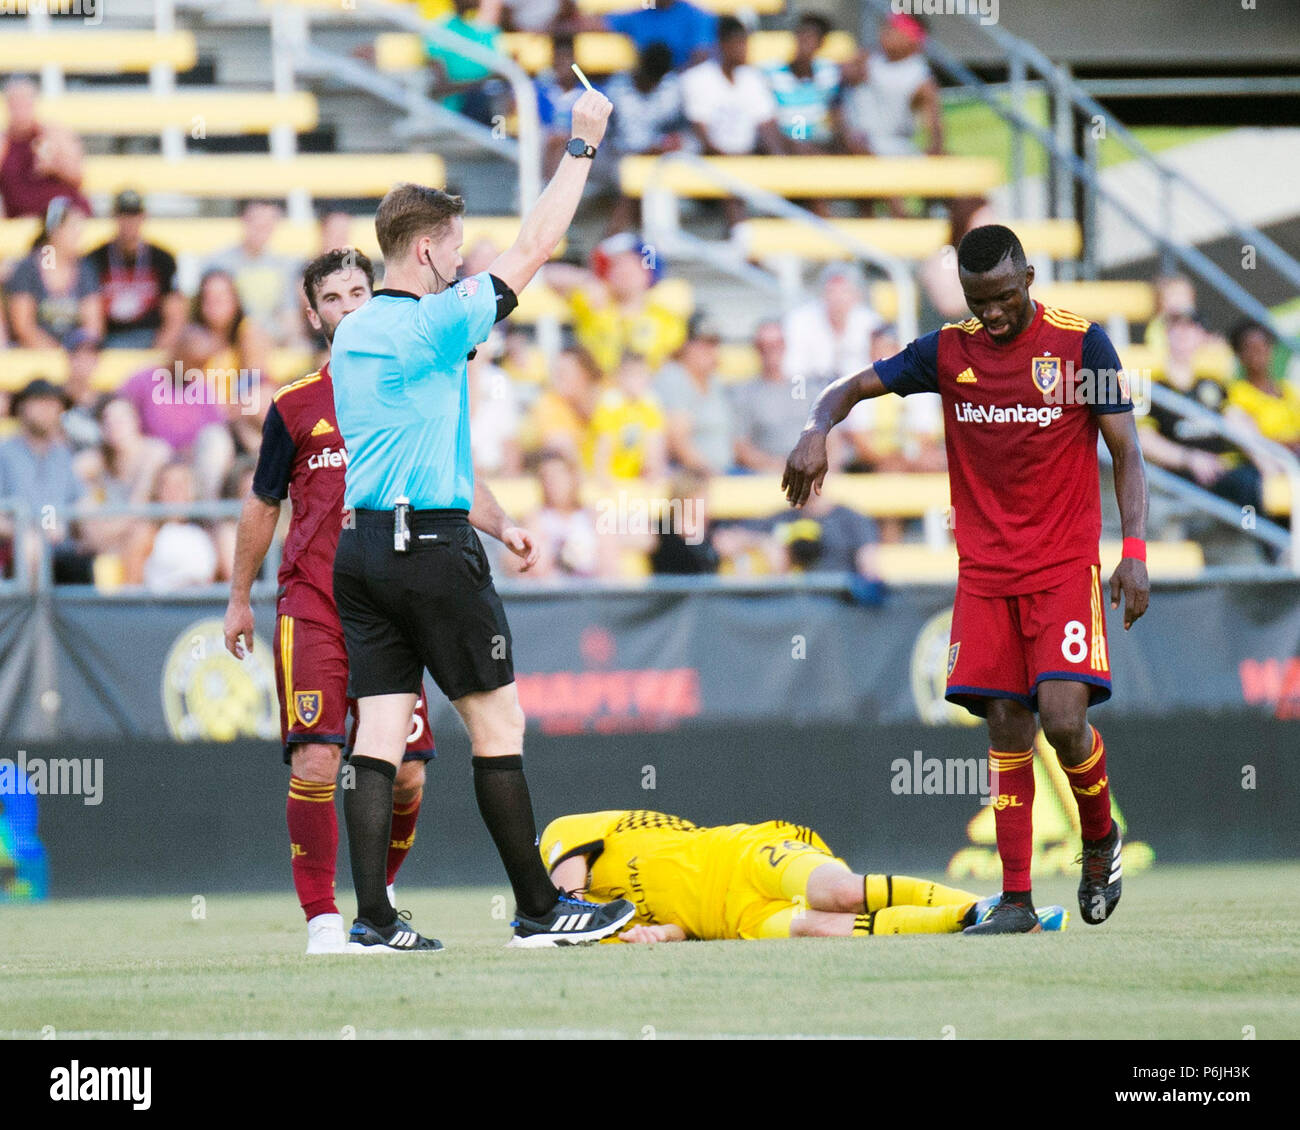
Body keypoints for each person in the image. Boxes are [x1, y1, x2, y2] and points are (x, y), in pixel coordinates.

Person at [328, 87, 635, 951]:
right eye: (454, 249)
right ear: (425, 251)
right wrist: (581, 145)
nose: (463, 263)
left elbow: (424, 446)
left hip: (363, 551)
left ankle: (374, 920)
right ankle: (539, 911)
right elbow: (537, 245)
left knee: (380, 730)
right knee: (499, 724)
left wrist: (495, 520)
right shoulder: (433, 325)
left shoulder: (351, 335)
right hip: (429, 549)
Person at [783, 224, 1149, 933]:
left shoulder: (1083, 344)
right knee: (1007, 726)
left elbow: (1126, 450)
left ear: (1030, 279)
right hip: (984, 573)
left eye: (1006, 298)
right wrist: (814, 428)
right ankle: (1015, 900)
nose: (995, 315)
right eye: (981, 302)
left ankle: (1100, 839)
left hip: (1063, 564)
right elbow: (851, 387)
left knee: (1066, 721)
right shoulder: (948, 350)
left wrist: (1133, 549)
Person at [223, 249, 438, 954]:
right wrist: (237, 599)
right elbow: (262, 505)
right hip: (312, 604)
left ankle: (380, 903)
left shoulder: (411, 389)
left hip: (392, 607)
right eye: (334, 298)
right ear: (314, 316)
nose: (348, 307)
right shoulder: (293, 405)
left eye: (359, 292)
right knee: (316, 759)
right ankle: (322, 922)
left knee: (406, 774)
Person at [541, 809, 1068, 941]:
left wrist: (562, 917)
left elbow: (569, 885)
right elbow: (679, 929)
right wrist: (658, 934)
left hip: (742, 851)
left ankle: (1000, 903)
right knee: (820, 928)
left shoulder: (558, 837)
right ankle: (970, 915)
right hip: (731, 921)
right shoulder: (591, 932)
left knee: (840, 893)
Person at [681, 16, 785, 232]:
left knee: (782, 165)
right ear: (723, 45)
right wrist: (735, 162)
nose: (745, 49)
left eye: (746, 43)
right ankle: (746, 247)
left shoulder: (753, 78)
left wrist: (779, 164)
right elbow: (704, 139)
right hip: (706, 162)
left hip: (746, 158)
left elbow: (768, 128)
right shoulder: (696, 79)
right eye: (739, 43)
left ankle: (776, 239)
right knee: (729, 177)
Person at [0, 377, 96, 584]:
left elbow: (79, 503)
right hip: (16, 546)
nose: (48, 410)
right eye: (40, 402)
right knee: (31, 547)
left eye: (53, 404)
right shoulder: (5, 453)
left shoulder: (63, 455)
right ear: (22, 407)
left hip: (62, 548)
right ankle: (31, 616)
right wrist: (29, 530)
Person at [604, 42, 690, 237]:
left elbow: (679, 132)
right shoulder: (616, 88)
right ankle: (619, 237)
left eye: (656, 79)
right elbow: (607, 138)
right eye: (648, 78)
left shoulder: (671, 88)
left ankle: (620, 237)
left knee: (647, 173)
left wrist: (664, 146)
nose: (652, 84)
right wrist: (640, 153)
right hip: (616, 156)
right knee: (635, 173)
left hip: (657, 157)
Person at [86, 189, 186, 351]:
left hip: (150, 337)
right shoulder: (94, 258)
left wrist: (157, 353)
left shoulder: (163, 259)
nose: (129, 222)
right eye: (124, 215)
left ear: (144, 217)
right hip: (108, 341)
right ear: (114, 216)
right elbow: (90, 314)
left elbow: (175, 317)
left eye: (134, 215)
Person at [6, 196, 104, 348]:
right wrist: (56, 355)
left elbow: (94, 326)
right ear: (54, 230)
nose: (78, 234)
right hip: (35, 355)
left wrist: (77, 353)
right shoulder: (28, 268)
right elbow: (23, 327)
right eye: (73, 227)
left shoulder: (84, 268)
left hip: (76, 357)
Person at [205, 200, 305, 347]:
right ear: (244, 221)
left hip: (273, 340)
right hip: (231, 339)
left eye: (267, 225)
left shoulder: (284, 265)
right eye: (257, 224)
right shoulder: (219, 262)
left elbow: (290, 316)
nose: (261, 230)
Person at [0, 77, 92, 220]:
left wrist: (54, 165)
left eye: (25, 104)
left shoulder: (54, 134)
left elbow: (78, 176)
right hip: (22, 219)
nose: (21, 110)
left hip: (61, 216)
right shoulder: (4, 143)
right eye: (16, 104)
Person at [656, 313, 736, 474]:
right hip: (691, 475)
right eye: (702, 343)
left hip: (725, 469)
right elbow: (678, 442)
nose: (709, 349)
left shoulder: (714, 381)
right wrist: (711, 474)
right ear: (686, 345)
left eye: (713, 343)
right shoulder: (673, 377)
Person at [590, 350, 667, 482]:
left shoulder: (650, 404)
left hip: (634, 478)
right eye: (632, 375)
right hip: (607, 477)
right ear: (619, 377)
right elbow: (604, 447)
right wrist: (603, 476)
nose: (637, 381)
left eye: (642, 374)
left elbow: (655, 445)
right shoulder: (610, 404)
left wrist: (652, 472)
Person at [604, 0, 717, 70]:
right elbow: (602, 23)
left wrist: (668, 79)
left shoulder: (696, 16)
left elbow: (701, 57)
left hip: (682, 82)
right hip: (644, 81)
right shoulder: (639, 14)